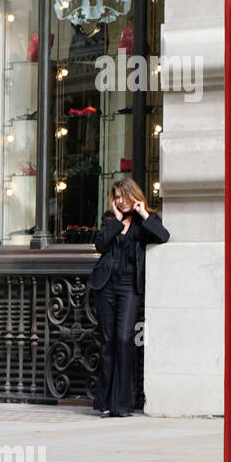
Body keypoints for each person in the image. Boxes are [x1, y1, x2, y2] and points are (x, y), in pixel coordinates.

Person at [89, 177, 170, 417]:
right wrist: (116, 220)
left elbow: (163, 236)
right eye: (116, 197)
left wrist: (144, 214)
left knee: (124, 339)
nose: (120, 200)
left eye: (124, 195)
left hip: (129, 288)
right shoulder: (109, 219)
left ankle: (122, 404)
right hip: (106, 287)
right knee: (107, 342)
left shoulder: (146, 220)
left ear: (134, 195)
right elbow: (100, 245)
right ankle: (104, 401)